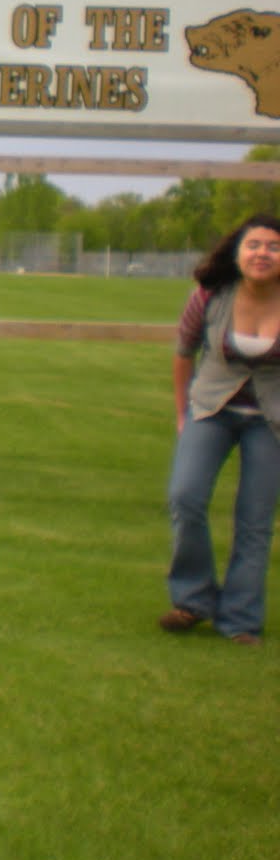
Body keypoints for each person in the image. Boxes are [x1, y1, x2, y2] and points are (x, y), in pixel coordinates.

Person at [160, 214, 280, 646]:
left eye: (273, 246)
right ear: (237, 252)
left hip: (270, 421)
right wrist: (182, 414)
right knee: (185, 497)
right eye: (254, 245)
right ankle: (192, 600)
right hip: (210, 408)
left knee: (255, 519)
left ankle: (240, 620)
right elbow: (182, 352)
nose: (262, 253)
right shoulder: (210, 295)